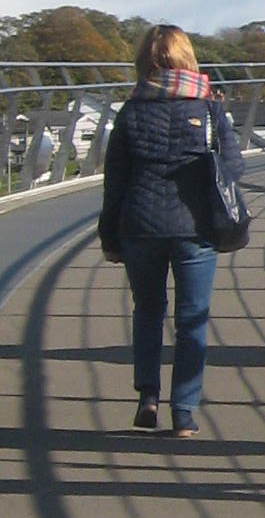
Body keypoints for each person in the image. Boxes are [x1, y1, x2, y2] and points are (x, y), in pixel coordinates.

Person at [98, 25, 245, 440]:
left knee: (147, 311)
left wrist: (110, 238)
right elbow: (234, 170)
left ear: (144, 62)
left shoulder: (131, 111)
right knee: (191, 320)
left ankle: (147, 395)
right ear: (187, 59)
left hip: (139, 225)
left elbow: (116, 182)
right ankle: (184, 413)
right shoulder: (211, 110)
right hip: (194, 227)